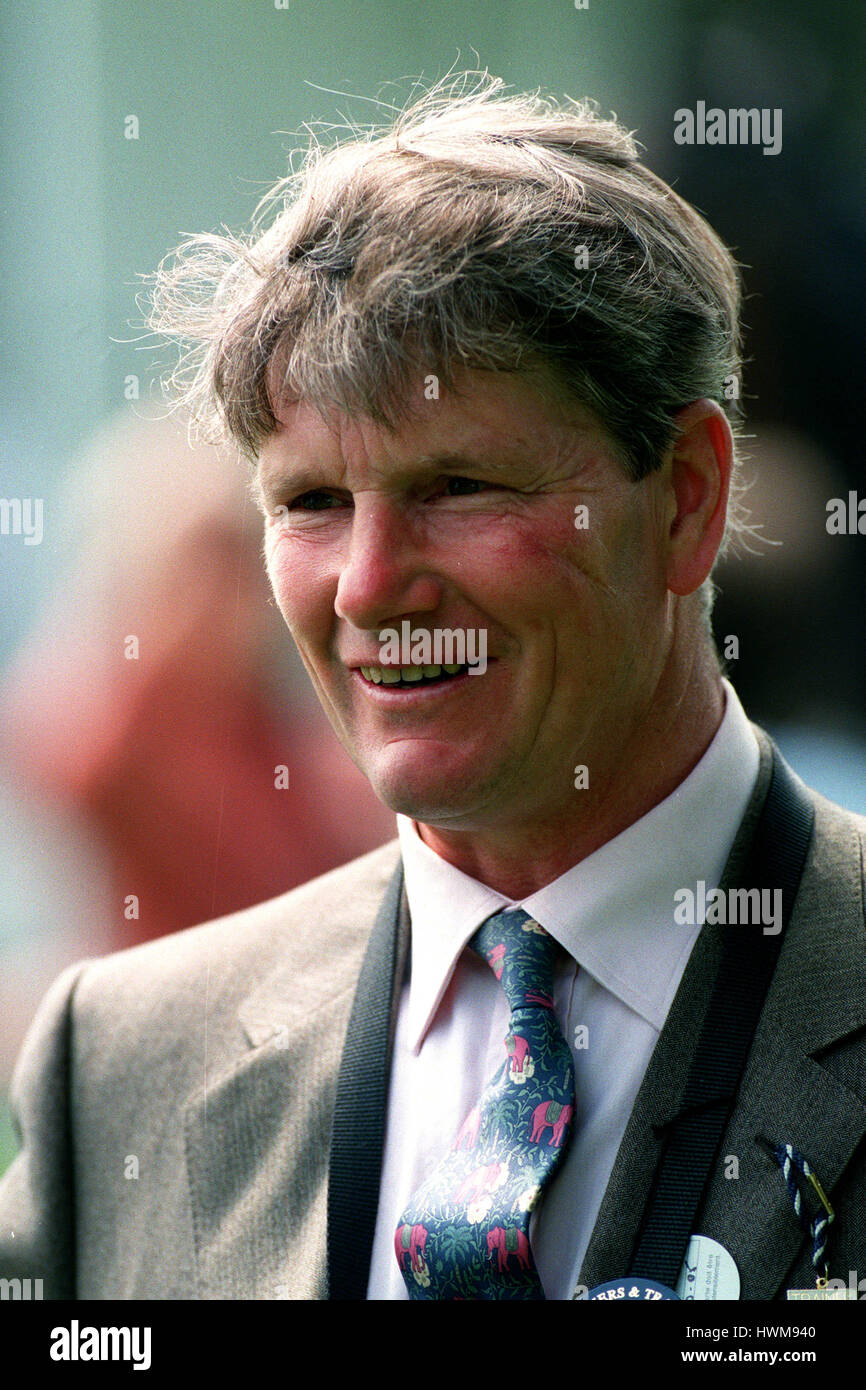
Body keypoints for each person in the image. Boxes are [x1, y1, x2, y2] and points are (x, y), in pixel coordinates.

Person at [1, 73, 864, 1302]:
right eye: (309, 502)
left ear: (683, 496)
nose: (366, 585)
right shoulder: (120, 1065)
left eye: (458, 487)